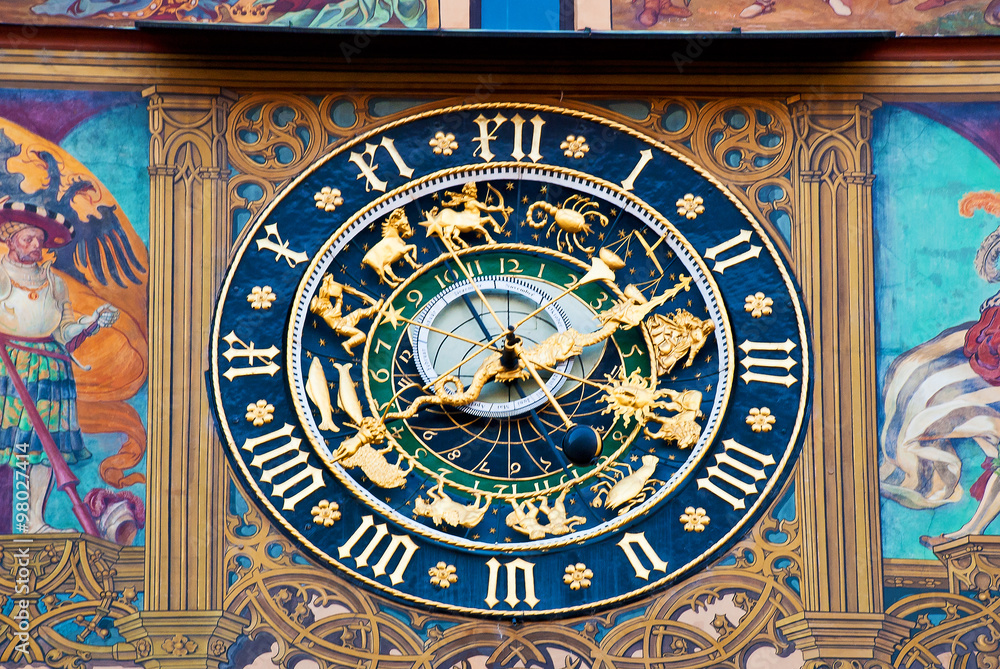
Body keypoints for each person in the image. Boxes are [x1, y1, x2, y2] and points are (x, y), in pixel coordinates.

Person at [0, 199, 118, 533]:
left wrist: (92, 321)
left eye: (39, 239)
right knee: (7, 442)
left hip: (49, 369)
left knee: (44, 447)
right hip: (6, 366)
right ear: (10, 239)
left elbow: (64, 330)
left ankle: (34, 520)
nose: (35, 245)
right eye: (27, 238)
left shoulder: (55, 283)